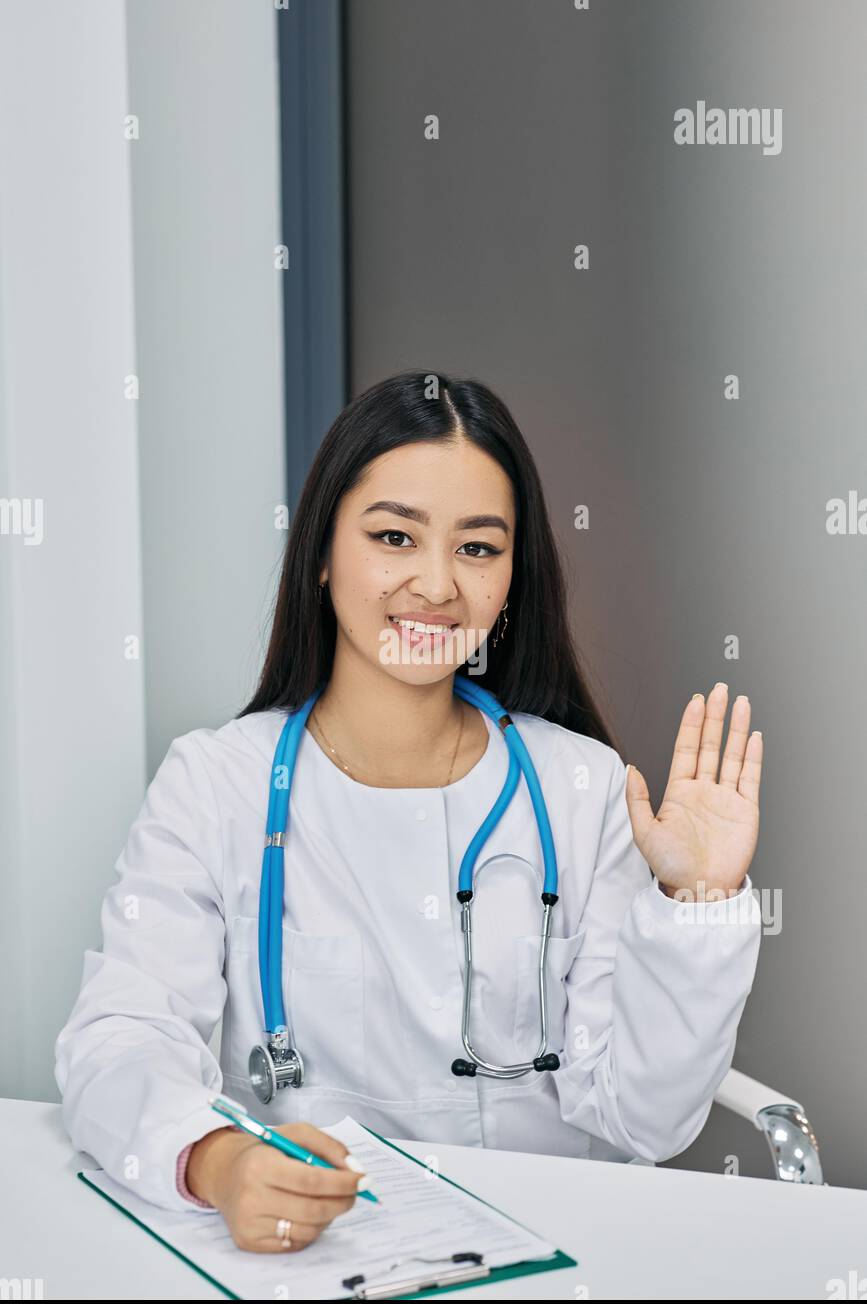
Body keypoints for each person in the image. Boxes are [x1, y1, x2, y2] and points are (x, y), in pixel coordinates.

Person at [55, 369, 764, 1255]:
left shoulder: (579, 788)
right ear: (321, 552)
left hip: (557, 1254)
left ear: (512, 577)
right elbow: (122, 1036)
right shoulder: (216, 784)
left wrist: (696, 898)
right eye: (394, 535)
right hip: (319, 1258)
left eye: (477, 548)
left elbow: (645, 1120)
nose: (435, 585)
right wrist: (218, 1157)